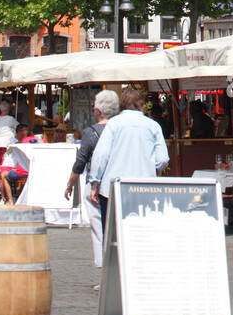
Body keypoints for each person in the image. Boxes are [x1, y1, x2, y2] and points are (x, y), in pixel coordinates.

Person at [89, 87, 170, 234]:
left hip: (113, 188)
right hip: (144, 188)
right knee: (142, 233)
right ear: (141, 105)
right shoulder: (153, 126)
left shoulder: (113, 124)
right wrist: (151, 168)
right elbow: (163, 159)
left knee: (112, 235)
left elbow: (101, 156)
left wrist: (95, 182)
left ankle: (114, 257)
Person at [64, 91, 119, 261]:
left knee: (99, 227)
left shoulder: (91, 132)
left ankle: (105, 270)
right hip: (118, 182)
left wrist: (70, 183)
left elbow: (80, 162)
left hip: (97, 184)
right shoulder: (120, 129)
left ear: (98, 111)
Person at [0, 125, 37, 205]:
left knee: (24, 178)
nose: (26, 132)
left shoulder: (27, 140)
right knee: (4, 175)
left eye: (27, 130)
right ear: (19, 132)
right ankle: (6, 198)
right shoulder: (11, 140)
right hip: (10, 164)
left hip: (20, 167)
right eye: (24, 130)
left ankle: (16, 197)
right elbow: (9, 151)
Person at [0, 100, 19, 166]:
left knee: (1, 160)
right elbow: (18, 127)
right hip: (8, 142)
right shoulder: (10, 119)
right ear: (8, 109)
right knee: (8, 161)